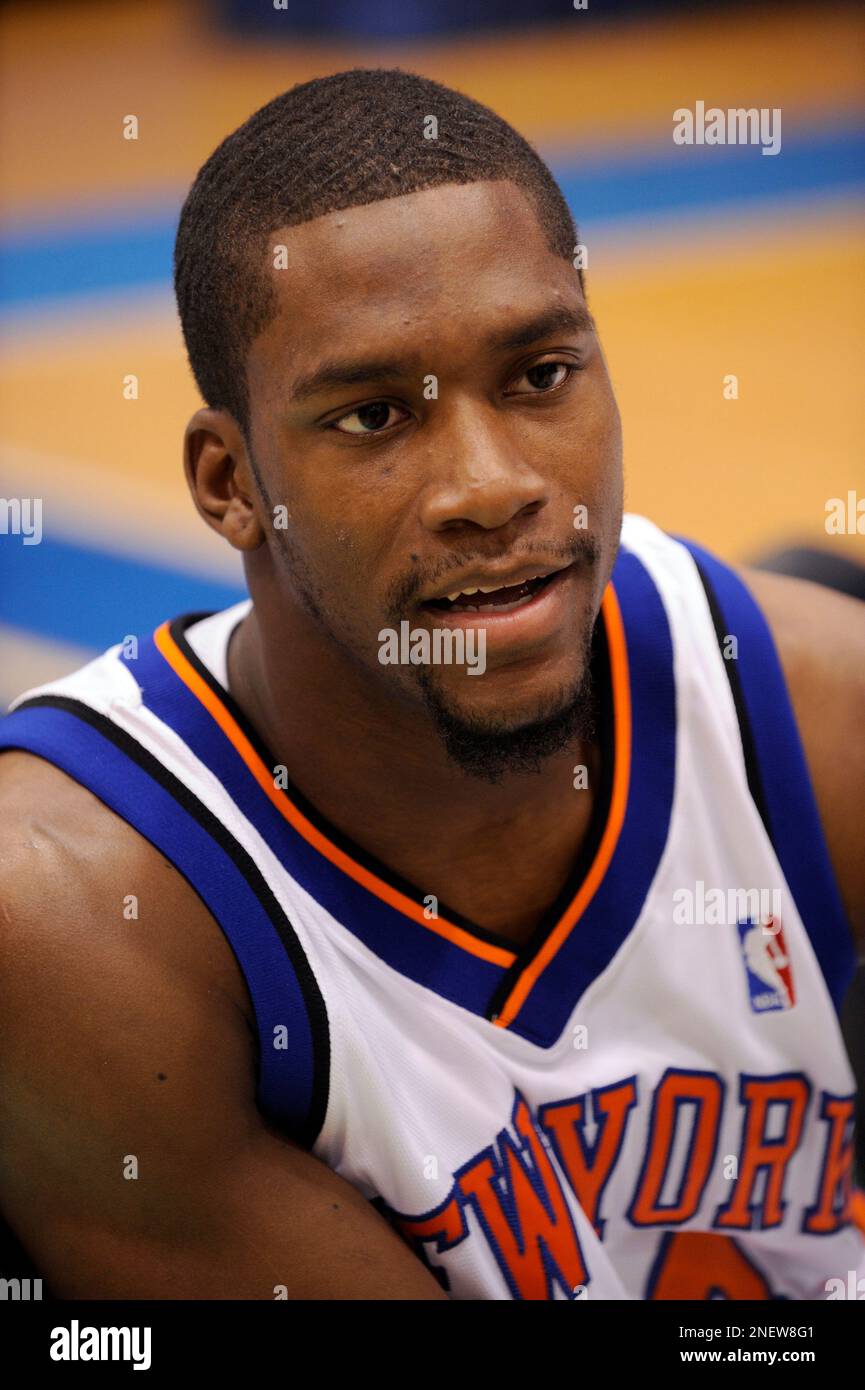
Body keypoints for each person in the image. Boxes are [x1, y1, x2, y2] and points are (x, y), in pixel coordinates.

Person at [0, 68, 863, 1301]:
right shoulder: (81, 918)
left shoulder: (818, 716)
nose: (491, 484)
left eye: (540, 376)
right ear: (227, 480)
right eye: (370, 416)